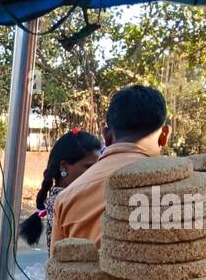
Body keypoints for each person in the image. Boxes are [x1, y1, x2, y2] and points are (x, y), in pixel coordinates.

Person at [51, 85, 171, 244]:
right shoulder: (184, 192)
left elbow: (58, 266)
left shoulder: (66, 198)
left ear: (106, 136)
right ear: (164, 135)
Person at [19, 129, 101, 250]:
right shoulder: (64, 202)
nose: (96, 172)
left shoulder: (68, 199)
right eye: (88, 167)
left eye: (98, 166)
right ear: (64, 167)